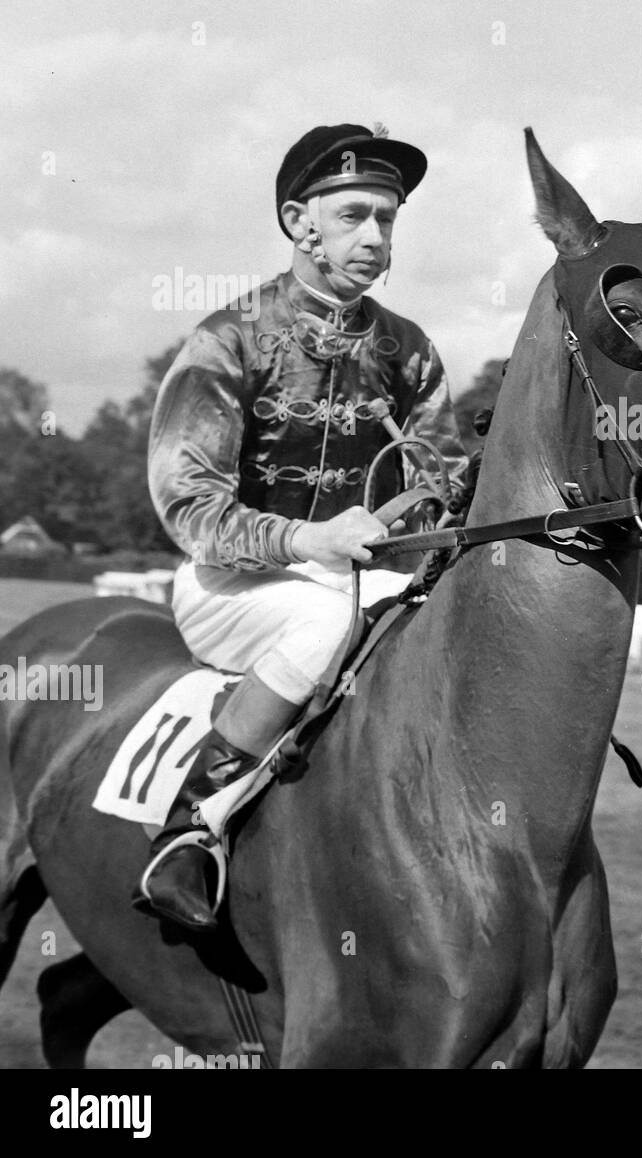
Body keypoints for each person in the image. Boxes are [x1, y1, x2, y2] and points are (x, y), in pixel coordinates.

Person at [136, 122, 469, 932]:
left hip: (366, 578)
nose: (375, 236)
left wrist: (451, 502)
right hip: (233, 586)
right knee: (325, 618)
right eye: (354, 214)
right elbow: (188, 505)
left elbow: (438, 487)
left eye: (387, 219)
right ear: (298, 221)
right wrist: (304, 541)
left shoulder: (410, 350)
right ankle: (190, 828)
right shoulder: (228, 339)